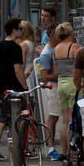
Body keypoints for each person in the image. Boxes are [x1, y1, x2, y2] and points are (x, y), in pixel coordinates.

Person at [0, 17, 28, 161]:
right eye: (20, 28)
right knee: (18, 117)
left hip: (1, 86)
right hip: (14, 87)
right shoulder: (16, 48)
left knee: (2, 118)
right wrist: (25, 87)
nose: (21, 31)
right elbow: (18, 69)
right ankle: (17, 148)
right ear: (14, 30)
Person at [54, 23, 79, 159]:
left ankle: (64, 151)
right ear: (70, 32)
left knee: (64, 120)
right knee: (72, 119)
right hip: (72, 84)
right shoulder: (73, 47)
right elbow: (79, 66)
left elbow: (56, 70)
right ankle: (72, 151)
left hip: (61, 83)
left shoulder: (56, 49)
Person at [36, 26, 61, 159]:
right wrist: (61, 75)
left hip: (58, 85)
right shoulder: (47, 53)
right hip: (54, 86)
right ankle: (51, 148)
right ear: (51, 35)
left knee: (57, 117)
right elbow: (45, 76)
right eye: (59, 34)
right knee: (53, 117)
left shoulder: (55, 49)